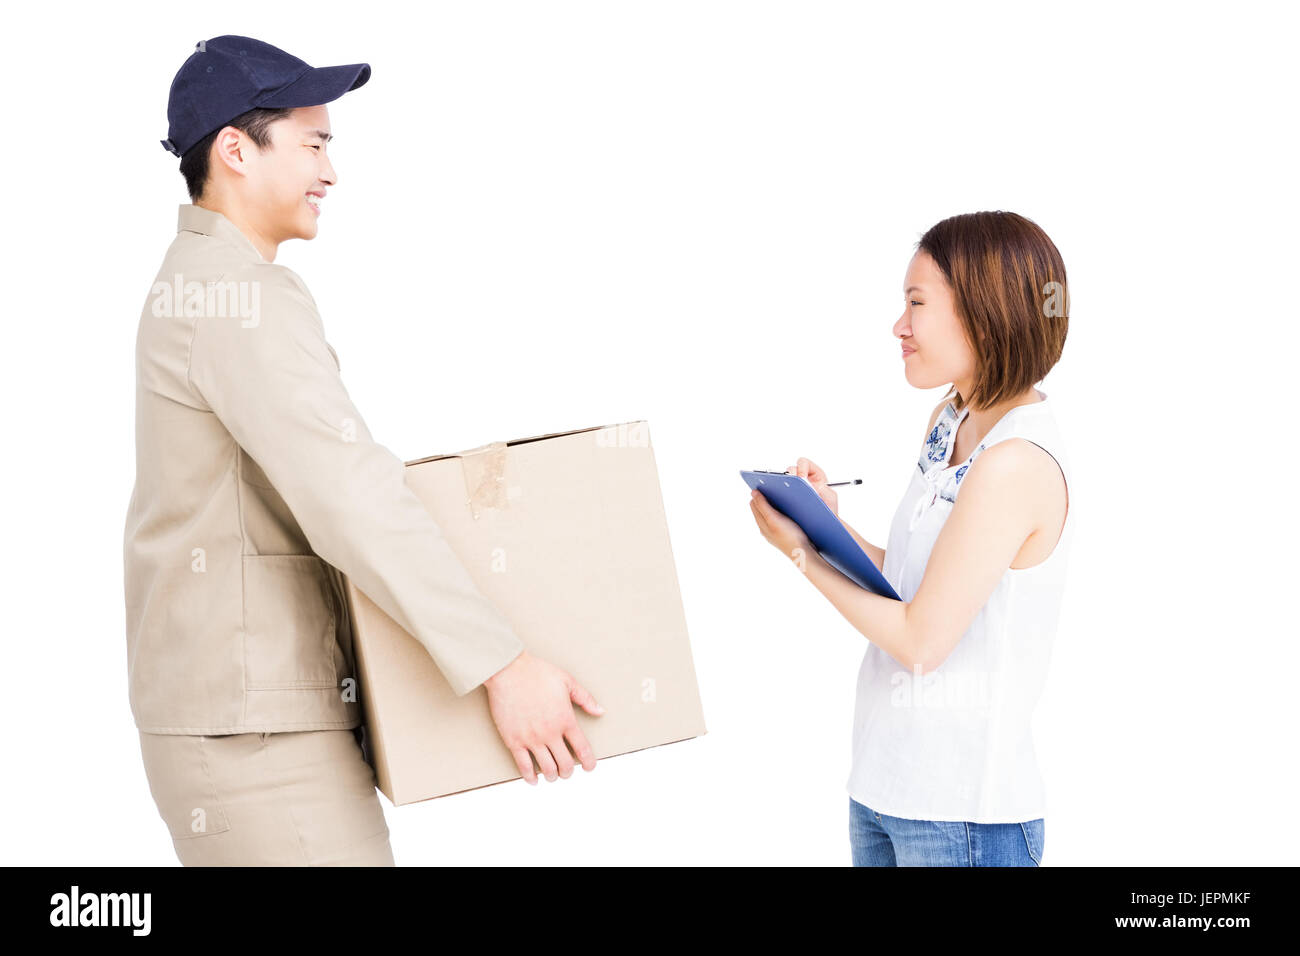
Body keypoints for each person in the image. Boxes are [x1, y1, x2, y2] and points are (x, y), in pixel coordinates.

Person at [126, 35, 603, 867]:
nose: (330, 173)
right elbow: (348, 494)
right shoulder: (238, 297)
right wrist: (502, 662)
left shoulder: (202, 279)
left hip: (243, 719)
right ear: (236, 150)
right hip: (256, 739)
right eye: (314, 144)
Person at [749, 211, 1073, 866]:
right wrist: (822, 521)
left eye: (916, 303)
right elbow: (908, 582)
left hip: (961, 817)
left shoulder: (1017, 463)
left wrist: (801, 554)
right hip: (882, 788)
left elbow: (921, 640)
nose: (899, 325)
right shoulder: (948, 421)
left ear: (985, 312)